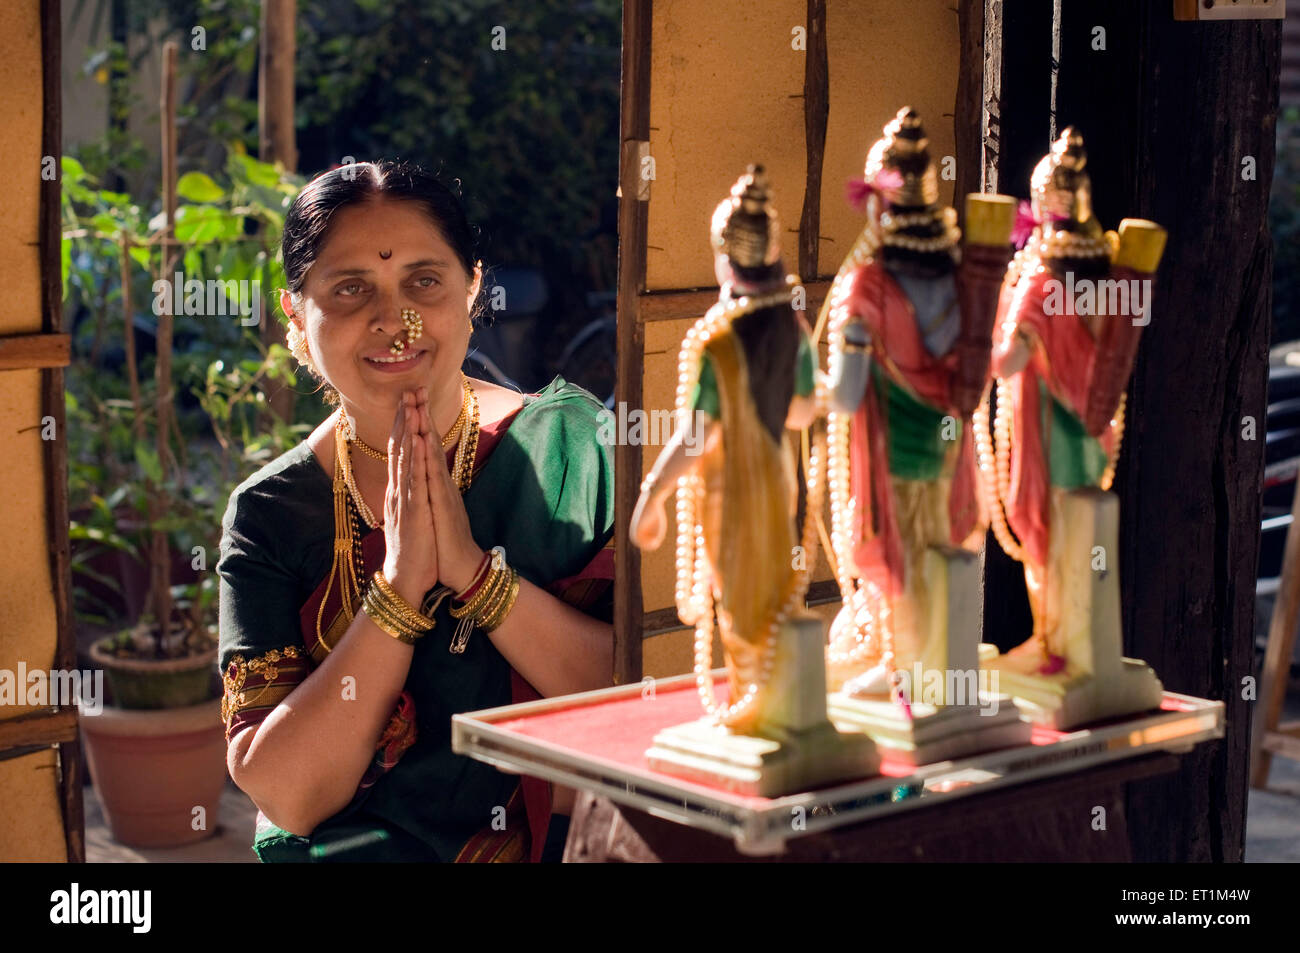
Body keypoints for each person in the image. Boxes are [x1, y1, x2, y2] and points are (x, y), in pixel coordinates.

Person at [217, 159, 614, 862]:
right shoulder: (271, 514)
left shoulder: (570, 453)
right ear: (296, 318)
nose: (393, 320)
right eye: (349, 288)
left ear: (473, 290)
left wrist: (474, 574)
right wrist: (398, 590)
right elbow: (289, 794)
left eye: (423, 282)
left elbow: (641, 697)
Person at [630, 165, 817, 734]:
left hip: (730, 490)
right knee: (776, 594)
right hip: (777, 479)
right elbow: (802, 412)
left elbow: (695, 436)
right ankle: (775, 705)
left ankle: (754, 709)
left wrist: (652, 494)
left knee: (738, 600)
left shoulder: (716, 340)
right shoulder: (792, 327)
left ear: (724, 260)